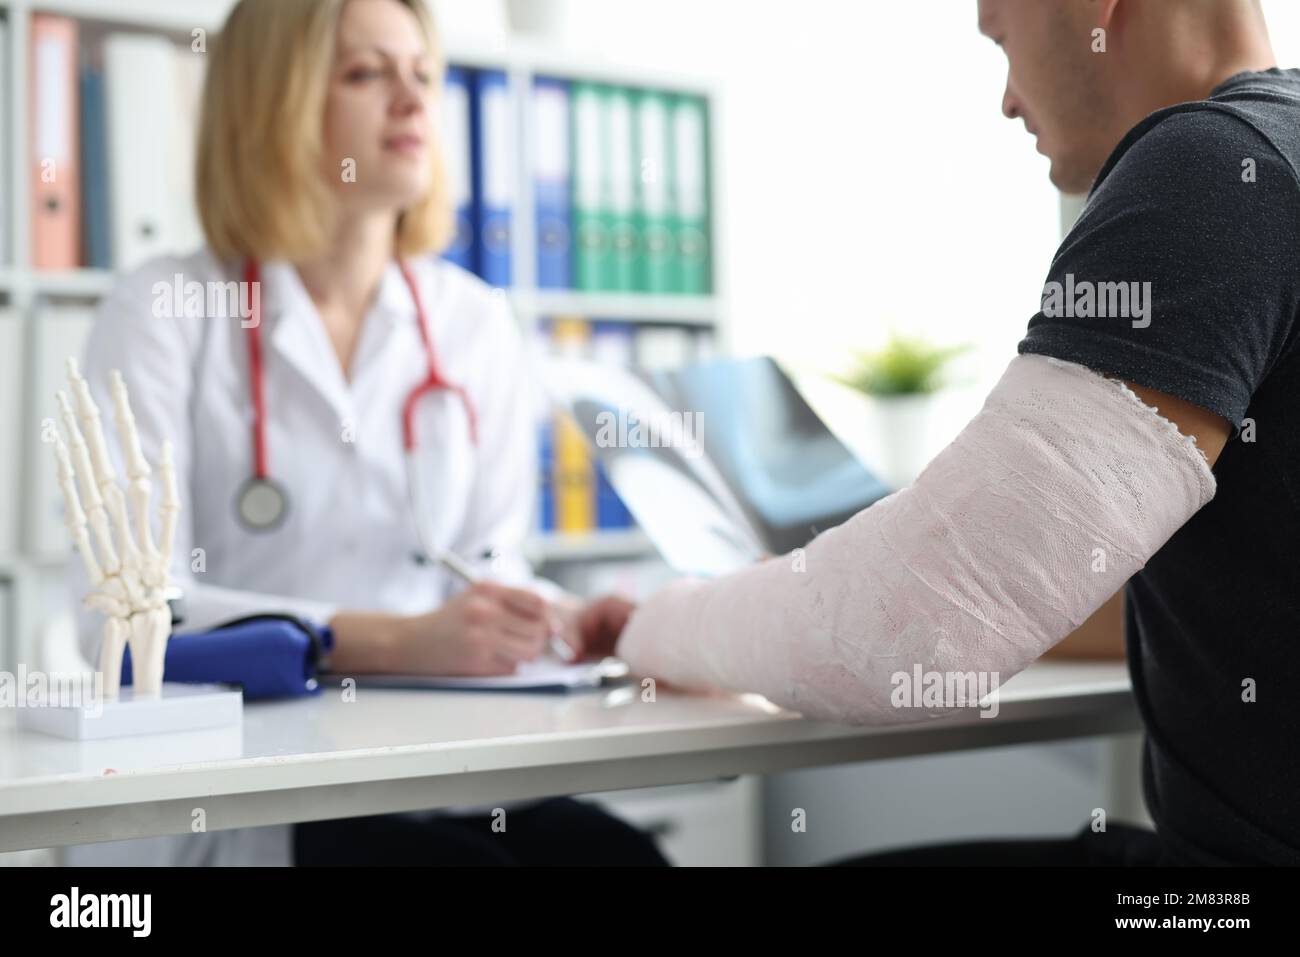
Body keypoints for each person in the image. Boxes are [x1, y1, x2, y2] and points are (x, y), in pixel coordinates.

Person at [581, 0, 1300, 866]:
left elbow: (914, 631)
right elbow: (1193, 590)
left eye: (1002, 36)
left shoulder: (1210, 166)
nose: (1006, 99)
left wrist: (658, 625)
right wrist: (789, 585)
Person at [64, 0, 665, 867]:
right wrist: (392, 638)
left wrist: (564, 620)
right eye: (366, 73)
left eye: (421, 73)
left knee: (619, 861)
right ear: (274, 103)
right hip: (254, 790)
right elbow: (130, 614)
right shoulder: (166, 310)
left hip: (448, 756)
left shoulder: (474, 321)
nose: (416, 102)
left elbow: (486, 564)